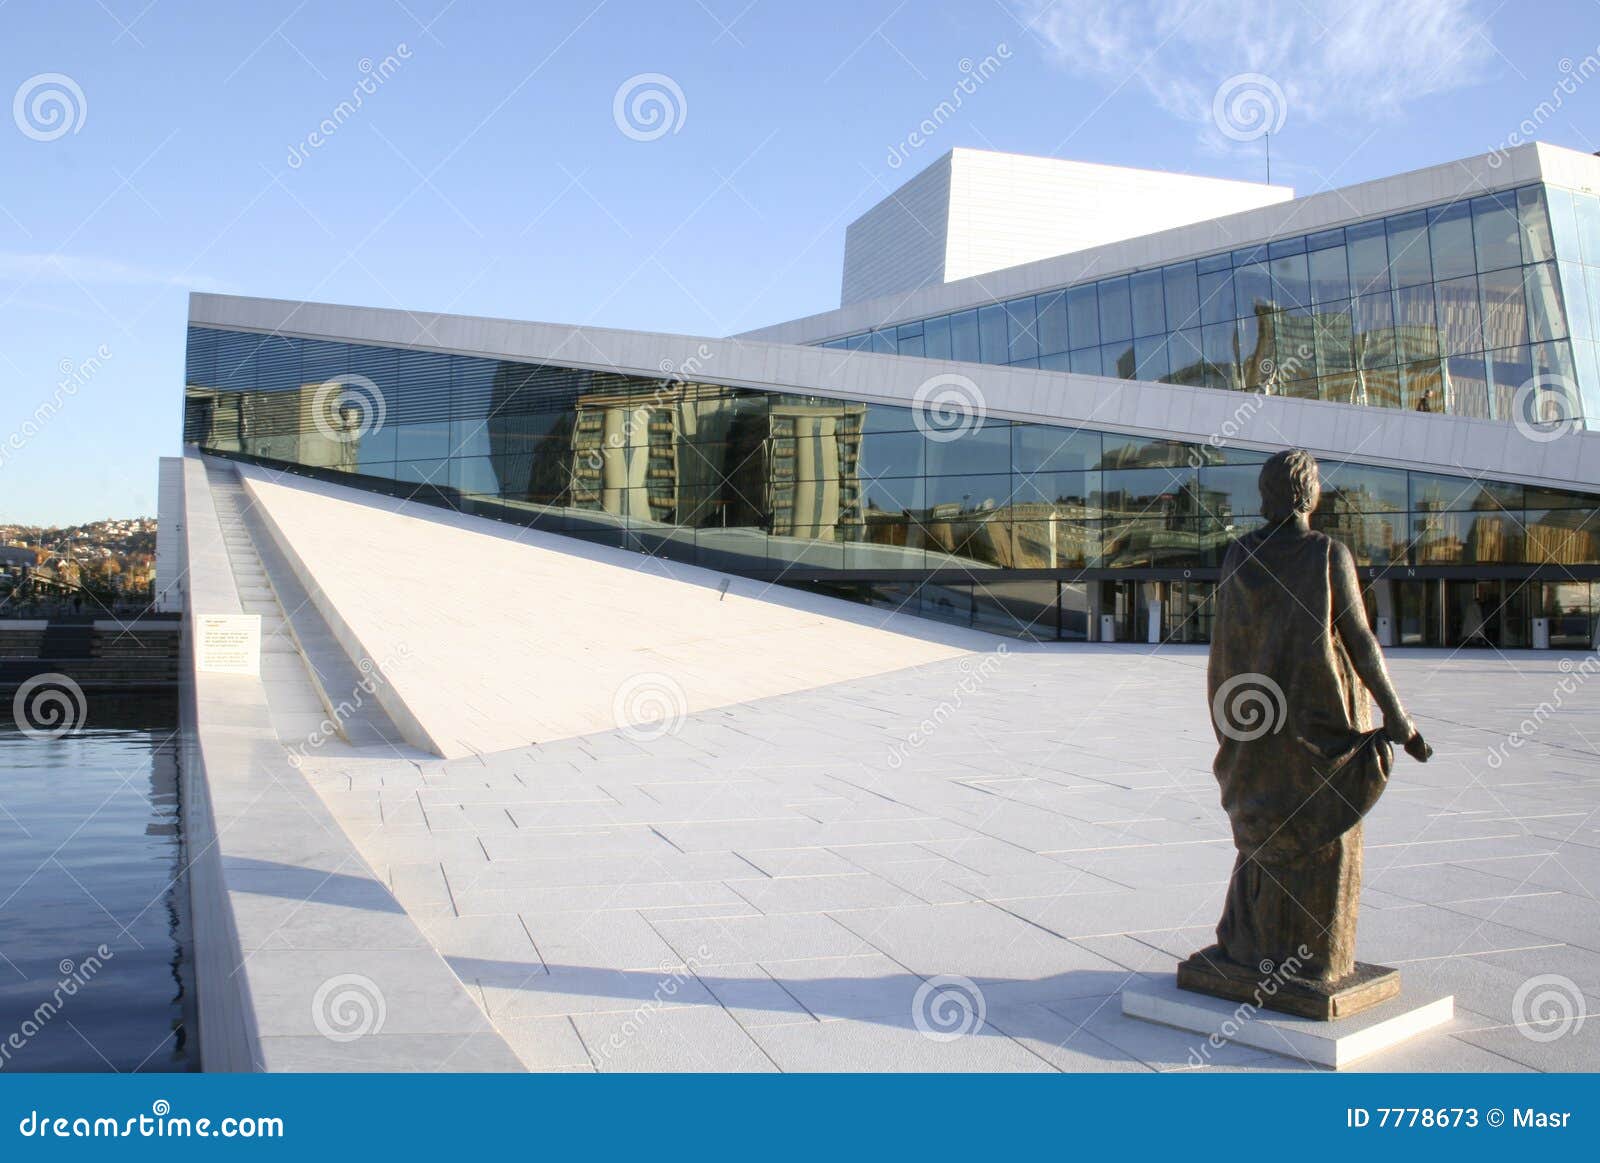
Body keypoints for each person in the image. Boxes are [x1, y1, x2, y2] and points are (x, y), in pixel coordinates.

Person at [1204, 449, 1431, 984]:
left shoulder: (1239, 555)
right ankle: (1315, 961)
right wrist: (1400, 718)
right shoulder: (1327, 553)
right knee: (1323, 839)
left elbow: (1226, 650)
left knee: (1266, 830)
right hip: (1318, 725)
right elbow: (1360, 641)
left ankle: (1249, 948)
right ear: (1308, 494)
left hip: (1258, 727)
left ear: (1267, 497)